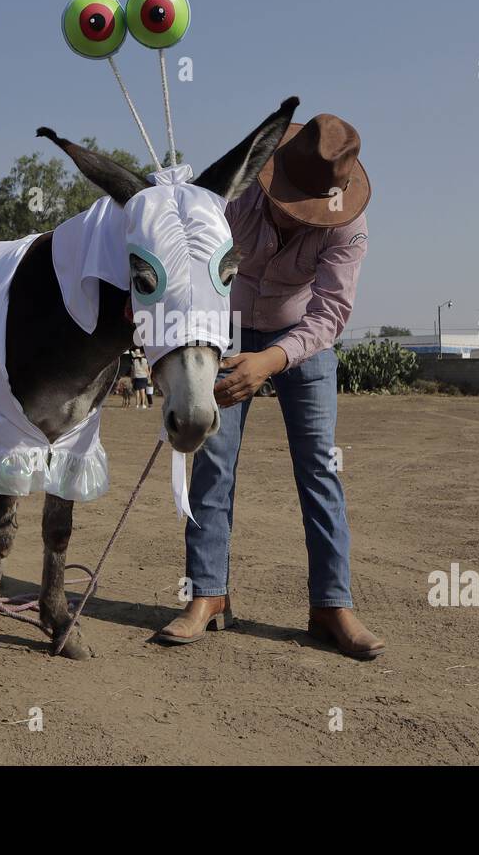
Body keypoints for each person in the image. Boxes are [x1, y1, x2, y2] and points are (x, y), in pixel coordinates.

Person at [156, 112, 384, 659]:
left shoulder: (347, 225)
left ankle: (331, 605)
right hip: (227, 331)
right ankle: (207, 594)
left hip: (301, 338)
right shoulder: (234, 197)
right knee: (212, 461)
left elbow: (330, 314)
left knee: (321, 472)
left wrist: (271, 361)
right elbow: (188, 256)